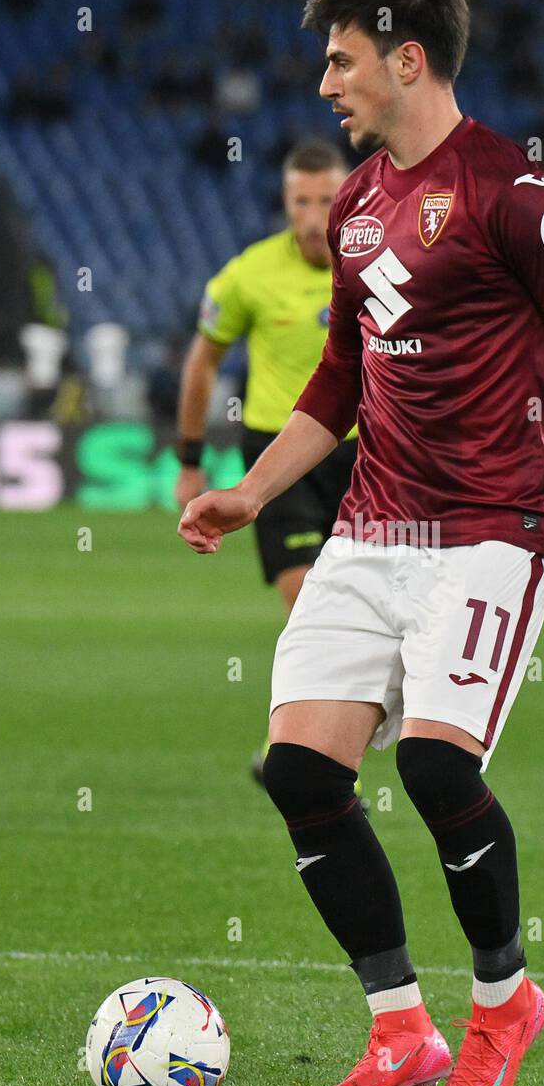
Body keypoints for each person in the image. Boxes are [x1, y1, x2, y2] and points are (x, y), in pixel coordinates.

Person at [178, 0, 544, 1086]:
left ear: (407, 59)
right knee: (302, 770)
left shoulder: (517, 193)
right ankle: (397, 1025)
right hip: (368, 524)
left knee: (436, 761)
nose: (323, 84)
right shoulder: (354, 209)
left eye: (340, 59)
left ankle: (503, 998)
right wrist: (250, 493)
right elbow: (339, 378)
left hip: (491, 529)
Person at [174, 138, 358, 783]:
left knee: (372, 608)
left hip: (367, 454)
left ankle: (314, 747)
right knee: (310, 601)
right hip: (279, 457)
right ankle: (315, 759)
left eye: (326, 201)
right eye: (299, 201)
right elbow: (202, 363)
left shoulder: (376, 265)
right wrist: (191, 460)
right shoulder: (248, 274)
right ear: (284, 201)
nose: (312, 217)